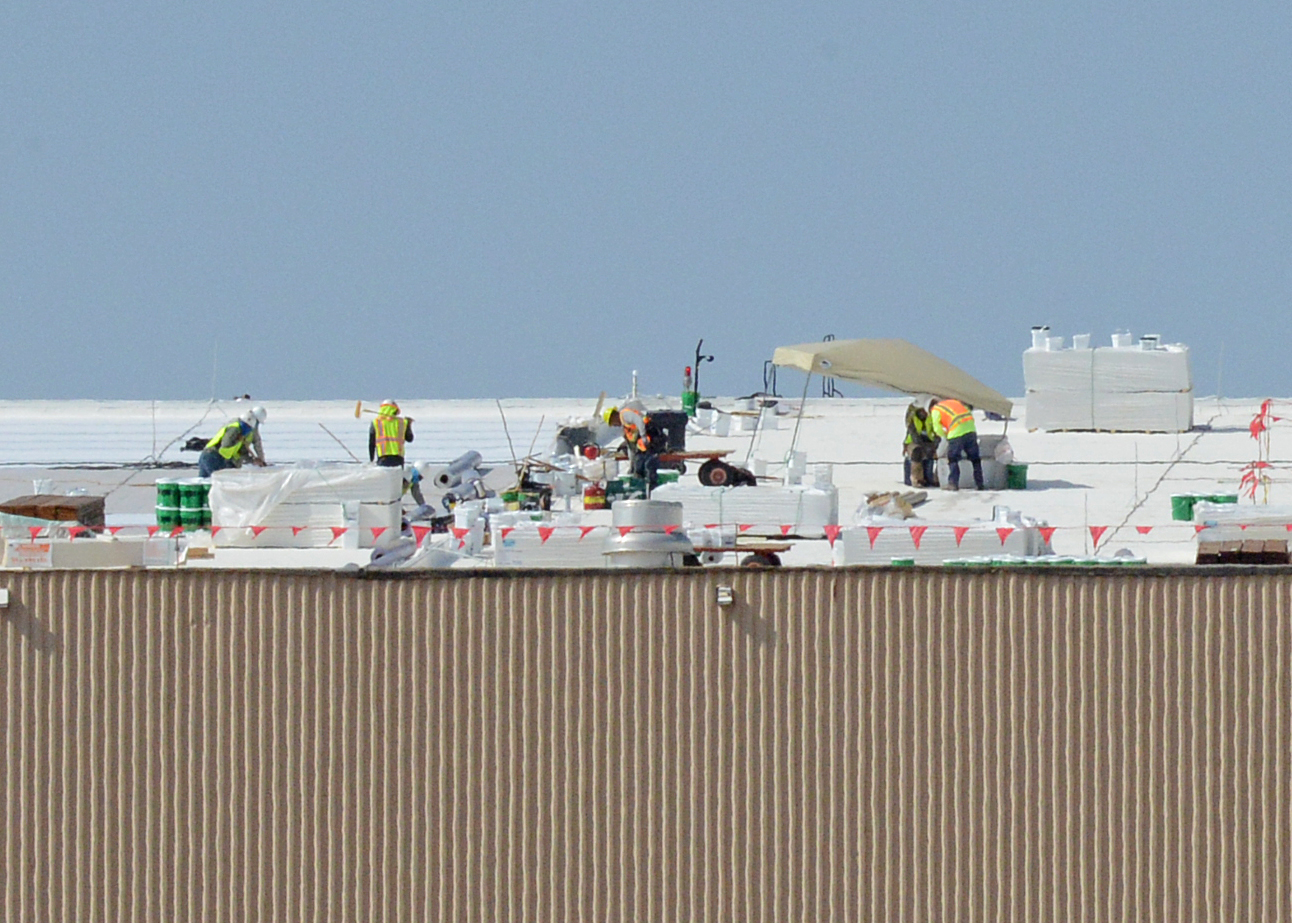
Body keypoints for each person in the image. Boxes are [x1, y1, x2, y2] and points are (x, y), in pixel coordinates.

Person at [605, 401, 666, 492]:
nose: (615, 425)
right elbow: (631, 448)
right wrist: (632, 465)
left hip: (652, 436)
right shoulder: (626, 428)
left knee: (649, 464)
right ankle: (642, 489)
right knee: (639, 465)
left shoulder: (624, 415)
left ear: (613, 417)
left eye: (612, 423)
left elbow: (638, 420)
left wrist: (643, 436)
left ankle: (652, 488)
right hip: (645, 446)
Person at [929, 397, 985, 491]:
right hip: (971, 430)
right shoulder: (954, 402)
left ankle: (953, 484)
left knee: (953, 459)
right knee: (975, 459)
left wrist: (945, 435)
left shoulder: (936, 409)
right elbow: (967, 411)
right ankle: (980, 483)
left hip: (956, 433)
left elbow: (937, 427)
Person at [197, 405, 268, 478]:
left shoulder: (242, 431)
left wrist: (254, 460)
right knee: (218, 483)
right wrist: (238, 440)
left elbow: (242, 450)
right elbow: (225, 446)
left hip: (216, 457)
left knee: (205, 484)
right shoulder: (235, 428)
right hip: (213, 456)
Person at [368, 399, 414, 468]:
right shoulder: (402, 422)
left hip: (383, 457)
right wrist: (409, 425)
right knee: (398, 478)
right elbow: (410, 439)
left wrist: (371, 459)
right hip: (398, 458)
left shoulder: (376, 423)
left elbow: (371, 443)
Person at [903, 400, 937, 488]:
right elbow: (914, 435)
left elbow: (936, 433)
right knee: (917, 452)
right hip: (913, 442)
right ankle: (917, 479)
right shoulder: (912, 420)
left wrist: (935, 446)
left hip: (928, 442)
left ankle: (932, 478)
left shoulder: (931, 418)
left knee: (932, 453)